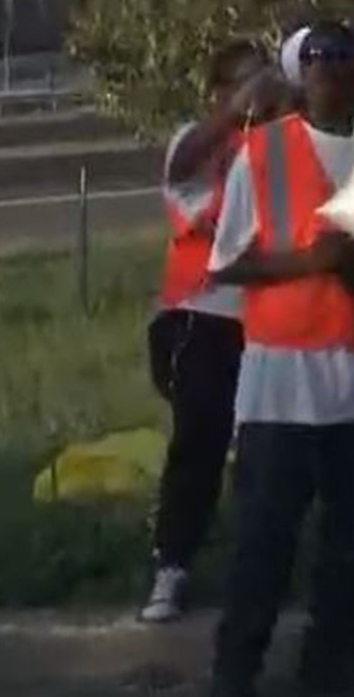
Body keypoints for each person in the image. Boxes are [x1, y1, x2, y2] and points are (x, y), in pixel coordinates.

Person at [205, 20, 354, 697]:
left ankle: (329, 674)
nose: (333, 67)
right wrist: (312, 261)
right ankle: (234, 676)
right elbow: (227, 261)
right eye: (320, 57)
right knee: (263, 542)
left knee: (350, 550)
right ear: (300, 72)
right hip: (281, 383)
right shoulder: (262, 152)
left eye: (346, 55)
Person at [139, 41, 283, 624]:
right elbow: (182, 168)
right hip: (199, 314)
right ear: (220, 91)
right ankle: (172, 564)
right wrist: (234, 115)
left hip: (268, 320)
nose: (259, 93)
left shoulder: (282, 144)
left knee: (267, 451)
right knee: (199, 437)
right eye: (245, 81)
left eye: (263, 80)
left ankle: (257, 569)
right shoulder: (200, 143)